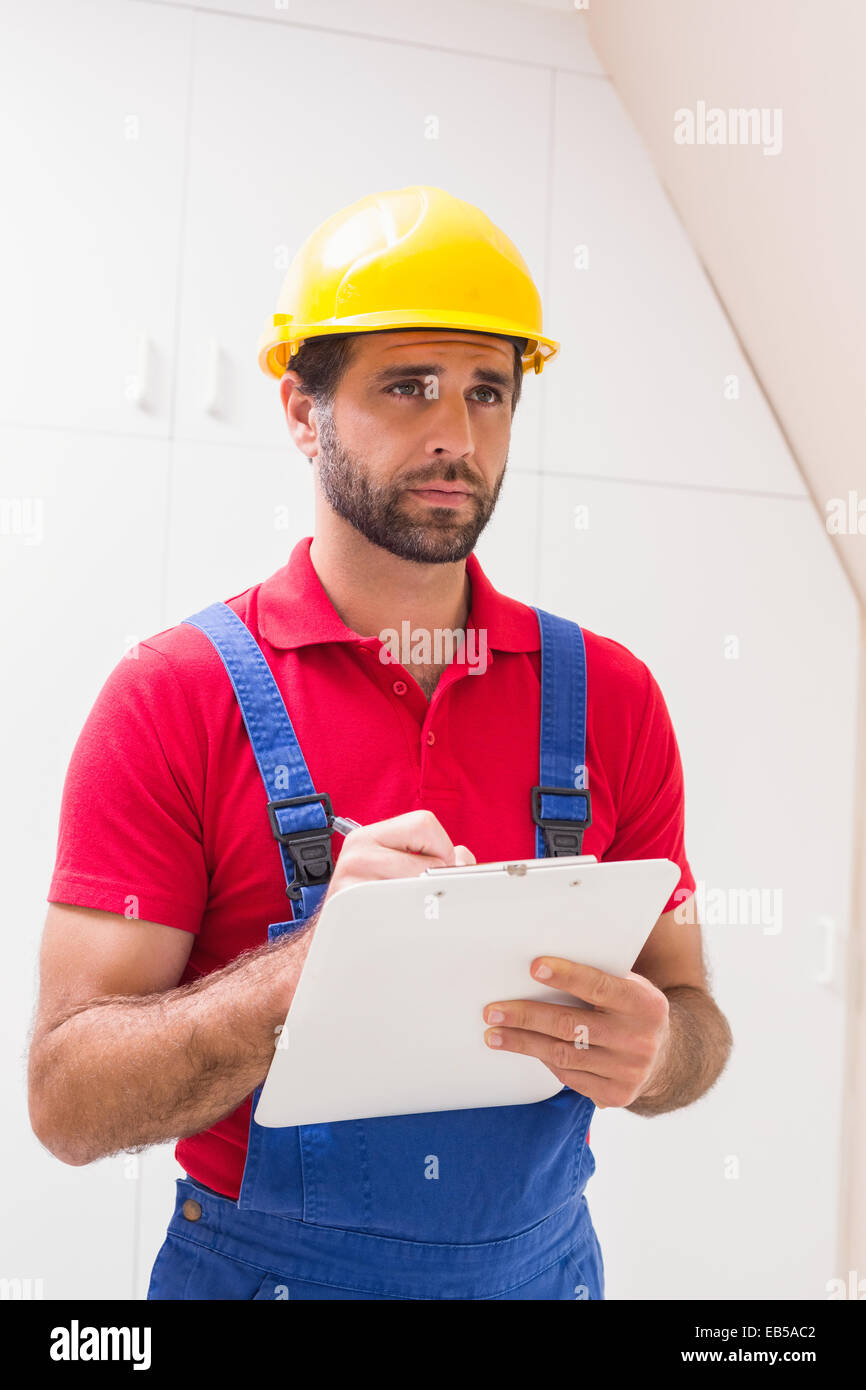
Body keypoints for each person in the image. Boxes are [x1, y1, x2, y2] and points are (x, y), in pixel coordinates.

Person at [28, 185, 732, 1301]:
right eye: (407, 387)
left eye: (487, 391)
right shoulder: (172, 697)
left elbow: (690, 1014)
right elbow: (68, 1102)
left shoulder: (613, 699)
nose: (455, 433)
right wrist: (303, 971)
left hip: (543, 1274)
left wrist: (662, 1057)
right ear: (301, 412)